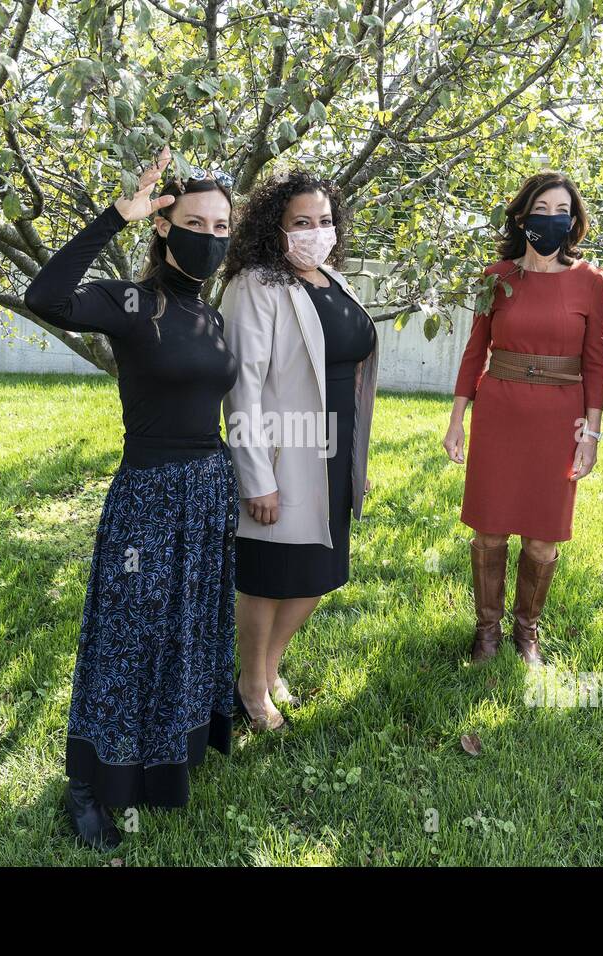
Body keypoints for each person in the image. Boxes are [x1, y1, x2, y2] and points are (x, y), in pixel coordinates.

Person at [22, 146, 240, 849]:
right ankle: (87, 785)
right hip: (147, 496)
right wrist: (116, 214)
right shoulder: (130, 301)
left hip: (208, 490)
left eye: (221, 226)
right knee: (125, 638)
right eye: (196, 222)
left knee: (186, 627)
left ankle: (164, 759)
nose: (210, 236)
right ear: (164, 227)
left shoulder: (210, 315)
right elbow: (45, 298)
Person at [220, 170, 379, 731]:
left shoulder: (331, 279)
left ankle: (268, 666)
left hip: (332, 452)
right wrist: (255, 476)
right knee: (270, 575)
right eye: (302, 223)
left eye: (326, 221)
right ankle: (251, 685)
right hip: (282, 456)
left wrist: (355, 461)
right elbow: (241, 387)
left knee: (317, 573)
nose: (317, 232)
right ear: (275, 228)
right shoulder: (255, 286)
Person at [444, 171, 603, 666]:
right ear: (522, 217)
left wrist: (592, 434)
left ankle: (527, 633)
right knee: (489, 529)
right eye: (542, 210)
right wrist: (457, 420)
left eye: (562, 211)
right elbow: (475, 352)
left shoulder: (591, 282)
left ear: (574, 221)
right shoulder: (495, 277)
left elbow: (596, 362)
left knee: (543, 536)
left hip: (560, 419)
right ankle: (487, 632)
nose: (551, 219)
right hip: (500, 413)